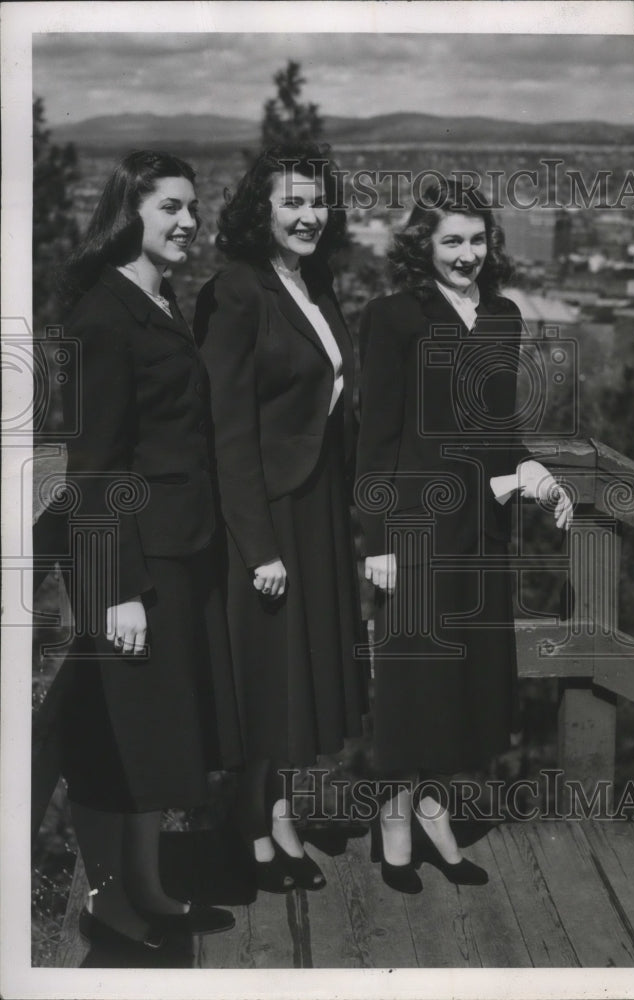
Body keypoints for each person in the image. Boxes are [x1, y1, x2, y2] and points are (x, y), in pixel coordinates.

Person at [355, 178, 573, 893]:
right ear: (424, 244)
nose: (467, 253)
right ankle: (393, 819)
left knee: (469, 682)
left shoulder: (503, 317)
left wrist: (537, 477)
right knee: (413, 683)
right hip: (414, 527)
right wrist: (378, 541)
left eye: (477, 239)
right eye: (451, 239)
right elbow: (377, 437)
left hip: (482, 531)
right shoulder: (392, 318)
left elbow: (501, 434)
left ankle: (434, 807)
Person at [55, 150, 241, 955]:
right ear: (130, 210)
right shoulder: (103, 314)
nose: (189, 223)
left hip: (178, 550)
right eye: (171, 207)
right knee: (117, 743)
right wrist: (117, 587)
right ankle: (108, 905)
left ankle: (149, 885)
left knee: (153, 737)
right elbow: (95, 465)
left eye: (193, 209)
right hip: (135, 562)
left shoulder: (156, 300)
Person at [194, 144, 366, 892]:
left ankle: (273, 814)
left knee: (288, 677)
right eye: (291, 201)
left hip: (316, 506)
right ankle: (252, 825)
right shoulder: (235, 292)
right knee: (265, 677)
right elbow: (223, 432)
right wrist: (258, 545)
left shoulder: (314, 283)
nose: (307, 214)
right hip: (261, 518)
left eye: (317, 200)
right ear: (258, 211)